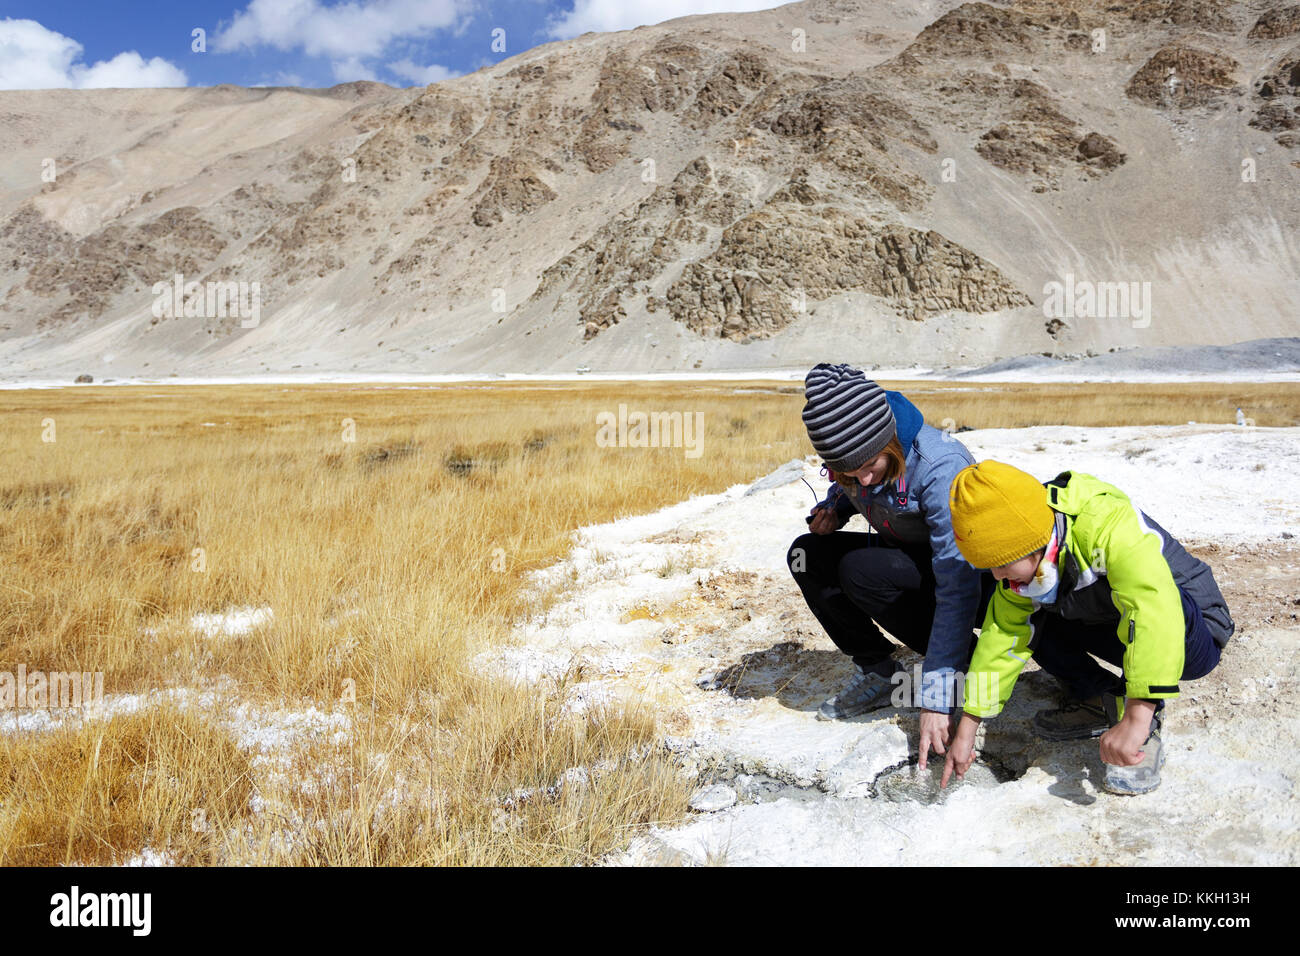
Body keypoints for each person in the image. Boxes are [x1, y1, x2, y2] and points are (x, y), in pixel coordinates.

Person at [941, 461, 1234, 794]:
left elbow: (1152, 607)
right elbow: (1003, 635)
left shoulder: (1105, 522)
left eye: (1002, 563)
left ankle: (1140, 715)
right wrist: (968, 727)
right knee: (1022, 612)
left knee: (1150, 597)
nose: (997, 574)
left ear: (1030, 540)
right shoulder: (1030, 550)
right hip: (1109, 616)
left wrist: (1138, 715)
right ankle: (1098, 697)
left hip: (1192, 629)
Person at [786, 363, 994, 767]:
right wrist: (834, 509)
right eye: (847, 473)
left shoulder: (940, 466)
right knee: (807, 554)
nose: (862, 481)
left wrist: (939, 692)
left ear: (888, 441)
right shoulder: (860, 466)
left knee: (860, 571)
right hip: (913, 563)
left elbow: (958, 583)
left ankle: (967, 663)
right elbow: (853, 486)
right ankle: (881, 673)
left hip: (968, 578)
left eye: (870, 467)